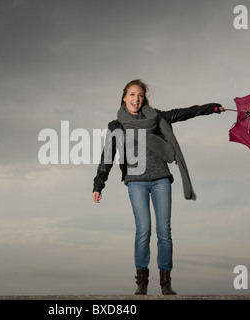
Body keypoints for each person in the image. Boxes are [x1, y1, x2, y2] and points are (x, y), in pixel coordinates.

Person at [92, 79, 225, 295]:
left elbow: (184, 113)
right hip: (136, 182)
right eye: (132, 95)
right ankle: (141, 283)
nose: (136, 99)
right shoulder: (116, 126)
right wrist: (99, 184)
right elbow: (107, 157)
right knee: (143, 230)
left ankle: (166, 284)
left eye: (140, 95)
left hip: (161, 179)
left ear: (144, 99)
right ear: (124, 98)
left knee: (164, 231)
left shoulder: (157, 118)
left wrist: (210, 108)